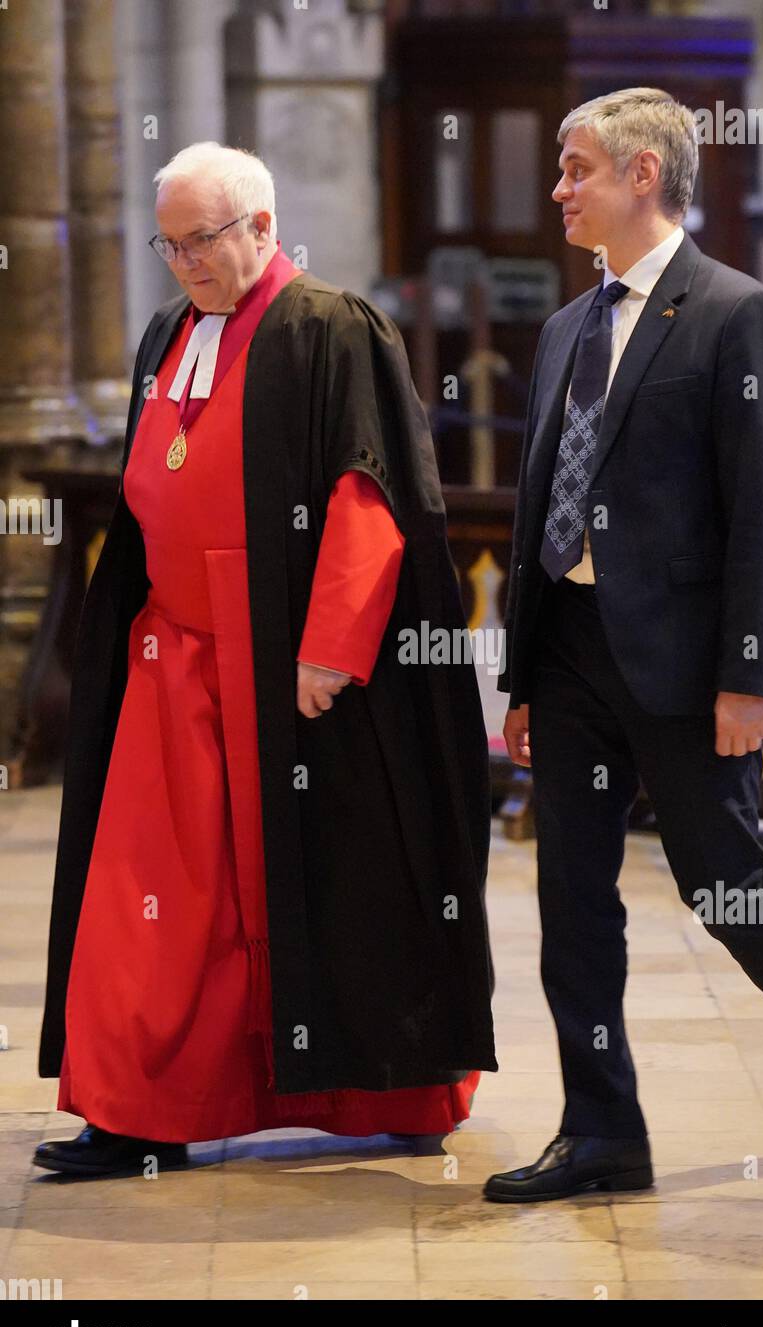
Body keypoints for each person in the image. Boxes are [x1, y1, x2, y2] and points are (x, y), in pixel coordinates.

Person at [35, 142, 496, 1179]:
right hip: (172, 659)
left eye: (203, 239)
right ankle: (138, 1108)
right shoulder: (166, 331)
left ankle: (391, 1084)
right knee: (146, 892)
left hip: (288, 669)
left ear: (261, 227)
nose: (186, 261)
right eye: (171, 241)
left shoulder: (333, 328)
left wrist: (329, 649)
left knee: (334, 887)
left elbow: (365, 497)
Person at [484, 89, 763, 1203]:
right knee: (572, 896)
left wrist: (750, 674)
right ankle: (602, 1130)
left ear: (642, 178)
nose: (559, 188)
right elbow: (539, 510)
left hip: (680, 660)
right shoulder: (568, 325)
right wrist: (523, 677)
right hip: (571, 648)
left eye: (576, 169)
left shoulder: (736, 314)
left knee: (727, 886)